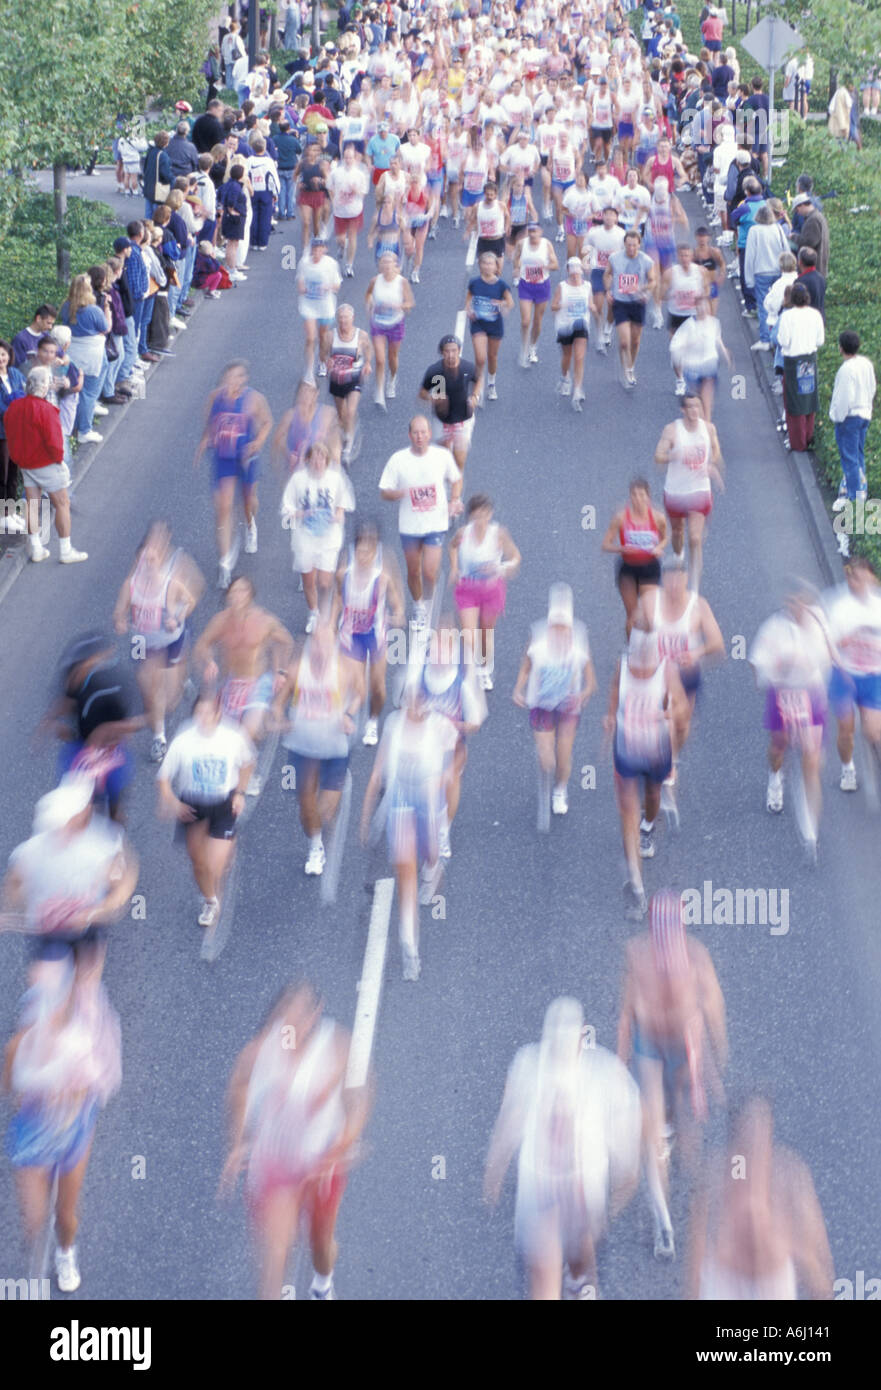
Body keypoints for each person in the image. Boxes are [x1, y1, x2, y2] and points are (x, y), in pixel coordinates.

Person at [483, 995, 642, 1300]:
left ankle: (579, 1281)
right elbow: (626, 1137)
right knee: (562, 1267)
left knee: (571, 1259)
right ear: (582, 1037)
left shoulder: (533, 1064)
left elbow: (508, 1122)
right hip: (560, 1190)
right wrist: (623, 1185)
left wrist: (495, 1169)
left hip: (560, 1188)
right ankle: (581, 1286)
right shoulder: (603, 1072)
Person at [219, 982, 370, 1300]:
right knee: (276, 1254)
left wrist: (344, 1142)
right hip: (275, 1164)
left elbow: (360, 1096)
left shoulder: (336, 1047)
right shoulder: (261, 1050)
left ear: (316, 1013)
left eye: (301, 1012)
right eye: (287, 1011)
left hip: (320, 1162)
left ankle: (322, 1283)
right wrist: (239, 1142)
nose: (293, 1019)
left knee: (321, 1242)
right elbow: (238, 1087)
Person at [2, 953, 122, 1294]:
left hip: (71, 1132)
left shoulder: (79, 1043)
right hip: (32, 1134)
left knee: (66, 1215)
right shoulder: (19, 1046)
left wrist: (66, 1095)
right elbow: (10, 1087)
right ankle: (39, 1254)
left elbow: (90, 1090)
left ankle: (66, 1252)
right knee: (34, 1219)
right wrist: (25, 1097)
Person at [618, 891, 728, 1258]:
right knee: (677, 1121)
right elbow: (713, 1007)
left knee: (661, 1125)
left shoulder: (638, 952)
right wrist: (717, 1061)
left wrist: (619, 1066)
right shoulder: (694, 955)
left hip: (657, 1042)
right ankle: (682, 1212)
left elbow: (626, 1014)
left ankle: (667, 1219)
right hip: (676, 1043)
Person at [360, 679, 460, 980]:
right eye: (409, 699)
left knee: (430, 856)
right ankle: (410, 946)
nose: (415, 705)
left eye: (420, 700)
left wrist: (443, 778)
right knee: (406, 876)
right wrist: (365, 817)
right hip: (401, 801)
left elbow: (458, 760)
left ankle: (433, 868)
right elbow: (378, 772)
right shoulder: (393, 725)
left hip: (428, 802)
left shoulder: (441, 727)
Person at [686, 1095, 834, 1299]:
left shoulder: (787, 1171)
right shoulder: (725, 1169)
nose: (756, 1136)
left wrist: (814, 1273)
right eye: (750, 1127)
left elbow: (813, 1241)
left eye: (762, 1127)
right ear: (736, 1134)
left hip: (772, 1280)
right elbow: (699, 1238)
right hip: (726, 1279)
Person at [605, 623, 688, 916]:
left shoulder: (666, 670)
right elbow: (614, 696)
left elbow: (679, 707)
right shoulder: (622, 666)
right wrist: (609, 720)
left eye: (646, 665)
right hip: (626, 749)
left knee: (651, 799)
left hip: (656, 750)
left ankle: (648, 827)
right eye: (638, 664)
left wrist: (666, 712)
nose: (641, 671)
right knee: (627, 809)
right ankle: (637, 885)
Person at [157, 689, 255, 928]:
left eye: (208, 712)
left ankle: (223, 852)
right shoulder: (183, 742)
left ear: (218, 713)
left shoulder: (232, 738)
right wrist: (172, 802)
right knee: (199, 863)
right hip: (193, 805)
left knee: (213, 865)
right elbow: (164, 778)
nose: (203, 717)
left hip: (223, 804)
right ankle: (210, 900)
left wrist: (240, 794)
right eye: (199, 712)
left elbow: (247, 763)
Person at [274, 619, 364, 877]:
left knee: (325, 811)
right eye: (317, 642)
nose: (321, 648)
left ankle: (321, 830)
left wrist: (348, 713)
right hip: (302, 746)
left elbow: (360, 692)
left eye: (326, 642)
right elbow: (278, 704)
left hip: (334, 746)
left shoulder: (344, 668)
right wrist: (279, 720)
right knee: (306, 806)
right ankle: (316, 846)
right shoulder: (297, 670)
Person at [749, 585, 832, 854]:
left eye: (803, 602)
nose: (799, 608)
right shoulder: (773, 628)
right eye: (793, 603)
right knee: (779, 745)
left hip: (811, 694)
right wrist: (778, 669)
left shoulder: (819, 622)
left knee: (812, 757)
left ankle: (811, 829)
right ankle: (775, 777)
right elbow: (757, 664)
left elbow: (831, 655)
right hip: (783, 691)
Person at [194, 576, 294, 796]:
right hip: (232, 682)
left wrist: (280, 670)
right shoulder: (220, 621)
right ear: (228, 595)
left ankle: (248, 774)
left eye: (243, 591)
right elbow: (202, 644)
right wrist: (209, 660)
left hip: (258, 681)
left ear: (250, 595)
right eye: (234, 591)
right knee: (229, 734)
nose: (238, 595)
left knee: (246, 732)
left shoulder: (263, 621)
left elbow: (285, 641)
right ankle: (244, 764)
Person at [112, 520, 204, 763]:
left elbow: (190, 600)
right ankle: (159, 739)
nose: (147, 565)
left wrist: (177, 616)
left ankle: (179, 683)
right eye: (144, 560)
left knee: (169, 697)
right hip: (142, 642)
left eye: (152, 560)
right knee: (149, 692)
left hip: (169, 640)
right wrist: (121, 622)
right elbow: (119, 612)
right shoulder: (130, 585)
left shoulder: (171, 582)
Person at [41, 632, 146, 823]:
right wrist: (53, 725)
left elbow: (137, 722)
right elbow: (65, 704)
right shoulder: (75, 681)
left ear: (92, 663)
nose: (71, 679)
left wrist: (109, 732)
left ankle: (114, 821)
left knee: (113, 791)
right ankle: (85, 820)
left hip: (109, 749)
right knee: (78, 799)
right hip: (80, 746)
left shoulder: (113, 687)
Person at [512, 583, 596, 822]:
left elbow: (591, 682)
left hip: (568, 707)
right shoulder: (538, 645)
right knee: (546, 758)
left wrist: (582, 694)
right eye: (555, 628)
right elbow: (525, 667)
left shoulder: (578, 649)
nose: (559, 632)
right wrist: (518, 689)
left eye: (564, 628)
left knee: (563, 758)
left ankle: (560, 789)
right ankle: (548, 766)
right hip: (541, 705)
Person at [193, 360, 274, 589]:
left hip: (246, 456)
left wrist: (258, 442)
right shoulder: (215, 398)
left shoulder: (254, 399)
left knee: (248, 502)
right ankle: (225, 563)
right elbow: (210, 422)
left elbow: (268, 422)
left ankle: (250, 525)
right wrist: (205, 440)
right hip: (224, 457)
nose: (234, 382)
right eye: (230, 377)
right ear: (223, 379)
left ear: (244, 379)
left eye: (238, 377)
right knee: (224, 508)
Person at [378, 414, 464, 629]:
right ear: (409, 435)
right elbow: (384, 491)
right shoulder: (398, 460)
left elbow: (457, 479)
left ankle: (427, 602)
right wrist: (399, 493)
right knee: (414, 571)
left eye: (423, 432)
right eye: (415, 433)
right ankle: (418, 606)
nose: (419, 436)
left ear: (429, 434)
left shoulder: (441, 456)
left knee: (429, 571)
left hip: (435, 522)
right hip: (410, 525)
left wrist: (454, 499)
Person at [3, 367, 87, 564]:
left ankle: (37, 548)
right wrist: (59, 462)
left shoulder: (14, 407)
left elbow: (10, 432)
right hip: (47, 463)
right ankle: (66, 551)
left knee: (32, 504)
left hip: (25, 464)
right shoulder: (46, 409)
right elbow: (54, 442)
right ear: (44, 385)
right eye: (49, 380)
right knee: (62, 504)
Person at [334, 519, 405, 747]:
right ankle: (347, 716)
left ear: (376, 552)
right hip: (350, 634)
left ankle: (373, 721)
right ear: (355, 551)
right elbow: (338, 598)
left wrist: (399, 614)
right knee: (357, 685)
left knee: (377, 686)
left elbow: (396, 601)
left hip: (375, 635)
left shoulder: (381, 578)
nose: (364, 556)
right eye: (361, 551)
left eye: (369, 551)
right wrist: (328, 622)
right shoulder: (343, 575)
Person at [449, 494, 520, 692]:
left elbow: (515, 557)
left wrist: (502, 568)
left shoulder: (499, 534)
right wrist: (454, 568)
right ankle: (470, 672)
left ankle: (484, 670)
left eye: (484, 515)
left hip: (491, 591)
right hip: (467, 590)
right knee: (469, 636)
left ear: (490, 514)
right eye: (476, 516)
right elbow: (452, 547)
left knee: (485, 634)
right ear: (470, 517)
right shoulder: (463, 533)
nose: (480, 520)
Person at [281, 440, 354, 632]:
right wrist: (301, 514)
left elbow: (343, 502)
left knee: (324, 581)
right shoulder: (298, 480)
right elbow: (287, 507)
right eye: (314, 458)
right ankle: (314, 613)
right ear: (308, 460)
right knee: (308, 580)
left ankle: (325, 612)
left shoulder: (335, 479)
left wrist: (338, 514)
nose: (318, 462)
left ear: (327, 460)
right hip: (305, 537)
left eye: (322, 458)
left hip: (329, 537)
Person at [654, 394, 724, 591]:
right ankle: (678, 555)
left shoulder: (708, 429)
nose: (695, 411)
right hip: (676, 491)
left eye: (698, 407)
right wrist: (674, 454)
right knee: (677, 531)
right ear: (683, 410)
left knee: (694, 538)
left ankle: (694, 585)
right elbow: (658, 456)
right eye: (691, 407)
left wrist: (711, 463)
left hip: (699, 490)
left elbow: (716, 449)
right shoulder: (672, 430)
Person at [824, 556, 881, 796]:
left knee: (873, 731)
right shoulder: (839, 609)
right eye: (850, 576)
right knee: (846, 730)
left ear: (871, 578)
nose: (853, 581)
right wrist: (842, 642)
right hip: (845, 674)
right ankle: (848, 768)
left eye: (858, 577)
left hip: (873, 676)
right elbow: (826, 644)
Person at [602, 479, 668, 635]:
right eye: (634, 495)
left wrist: (659, 547)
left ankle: (650, 651)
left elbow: (665, 538)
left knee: (649, 617)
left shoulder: (658, 518)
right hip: (628, 570)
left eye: (641, 495)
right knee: (632, 616)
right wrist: (621, 548)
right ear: (630, 497)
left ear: (648, 497)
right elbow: (605, 544)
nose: (638, 499)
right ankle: (632, 651)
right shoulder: (621, 517)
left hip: (650, 568)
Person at [829, 330, 876, 515]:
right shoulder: (865, 363)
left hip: (849, 418)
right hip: (865, 413)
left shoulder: (846, 370)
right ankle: (860, 490)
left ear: (840, 348)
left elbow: (842, 399)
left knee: (849, 458)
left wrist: (836, 417)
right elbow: (872, 387)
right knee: (858, 454)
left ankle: (853, 497)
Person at [418, 335, 480, 474]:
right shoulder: (435, 371)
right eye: (447, 351)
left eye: (454, 350)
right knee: (444, 459)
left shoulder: (467, 368)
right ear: (442, 352)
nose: (451, 355)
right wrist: (432, 398)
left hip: (463, 419)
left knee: (459, 461)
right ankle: (445, 485)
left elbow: (478, 379)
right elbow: (422, 393)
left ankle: (456, 492)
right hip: (442, 419)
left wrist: (475, 396)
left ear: (459, 351)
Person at [605, 228, 656, 389]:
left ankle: (631, 366)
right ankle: (626, 369)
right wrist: (608, 291)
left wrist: (643, 289)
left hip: (638, 303)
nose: (631, 249)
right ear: (624, 244)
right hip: (620, 302)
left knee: (635, 340)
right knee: (625, 341)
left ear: (639, 245)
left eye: (634, 245)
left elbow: (653, 281)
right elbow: (607, 274)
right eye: (628, 245)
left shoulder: (647, 261)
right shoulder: (615, 258)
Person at [777, 282, 824, 453]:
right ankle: (808, 436)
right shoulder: (815, 314)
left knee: (793, 402)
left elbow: (783, 340)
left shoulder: (788, 317)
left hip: (792, 361)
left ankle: (797, 442)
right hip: (810, 359)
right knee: (809, 399)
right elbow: (820, 341)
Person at [669, 295, 732, 423]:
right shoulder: (688, 326)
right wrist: (684, 349)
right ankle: (699, 426)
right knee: (697, 403)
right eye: (700, 306)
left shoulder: (714, 323)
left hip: (709, 366)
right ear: (695, 308)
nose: (703, 309)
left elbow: (718, 339)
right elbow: (675, 346)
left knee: (707, 405)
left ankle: (707, 430)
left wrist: (725, 353)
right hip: (692, 367)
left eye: (705, 305)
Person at [365, 252, 414, 410]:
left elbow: (410, 302)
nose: (386, 266)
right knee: (379, 359)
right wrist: (369, 305)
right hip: (378, 323)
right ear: (380, 266)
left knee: (392, 356)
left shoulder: (402, 282)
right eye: (383, 263)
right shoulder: (375, 281)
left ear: (395, 265)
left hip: (395, 322)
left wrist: (398, 306)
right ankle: (379, 391)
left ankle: (392, 380)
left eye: (389, 263)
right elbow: (368, 295)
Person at [465, 252, 514, 405]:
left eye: (490, 263)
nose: (487, 266)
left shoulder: (501, 285)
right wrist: (469, 310)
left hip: (495, 325)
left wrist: (502, 305)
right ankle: (478, 388)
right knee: (480, 358)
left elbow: (510, 303)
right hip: (478, 323)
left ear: (496, 266)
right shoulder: (474, 282)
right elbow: (468, 299)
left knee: (492, 357)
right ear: (480, 266)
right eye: (484, 263)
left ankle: (491, 384)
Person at [326, 302, 372, 462]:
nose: (343, 321)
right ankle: (346, 431)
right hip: (336, 379)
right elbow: (323, 354)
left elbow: (368, 349)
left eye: (346, 318)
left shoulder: (361, 336)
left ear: (352, 318)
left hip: (354, 378)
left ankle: (348, 445)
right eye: (340, 318)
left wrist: (367, 364)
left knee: (350, 411)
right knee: (341, 414)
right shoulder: (331, 336)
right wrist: (327, 361)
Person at [296, 236, 343, 385]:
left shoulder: (330, 264)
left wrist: (327, 287)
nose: (316, 252)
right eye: (314, 249)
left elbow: (337, 285)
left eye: (319, 248)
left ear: (325, 249)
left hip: (325, 306)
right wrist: (302, 288)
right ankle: (309, 370)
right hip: (308, 304)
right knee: (311, 337)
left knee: (323, 337)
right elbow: (300, 281)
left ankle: (322, 362)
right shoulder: (304, 263)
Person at [512, 221, 559, 368]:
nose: (532, 234)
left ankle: (533, 347)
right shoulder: (522, 244)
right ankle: (524, 348)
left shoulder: (546, 245)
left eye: (535, 231)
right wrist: (516, 269)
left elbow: (556, 265)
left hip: (542, 286)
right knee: (526, 321)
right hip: (526, 285)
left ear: (540, 231)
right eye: (530, 231)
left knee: (537, 320)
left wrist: (545, 266)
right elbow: (516, 257)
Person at [550, 258, 592, 411]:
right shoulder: (562, 287)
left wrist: (594, 308)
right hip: (564, 325)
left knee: (580, 357)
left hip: (581, 324)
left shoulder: (587, 286)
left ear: (581, 271)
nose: (575, 275)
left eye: (577, 272)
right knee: (567, 357)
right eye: (572, 272)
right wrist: (563, 305)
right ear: (568, 271)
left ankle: (578, 388)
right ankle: (565, 377)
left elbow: (591, 303)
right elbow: (553, 306)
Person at [584, 204, 625, 356]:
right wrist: (586, 261)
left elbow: (627, 253)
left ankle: (608, 328)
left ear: (616, 218)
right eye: (606, 214)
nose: (609, 217)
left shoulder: (621, 234)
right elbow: (586, 247)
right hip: (598, 270)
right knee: (598, 305)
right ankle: (600, 333)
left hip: (615, 272)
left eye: (612, 215)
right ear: (603, 217)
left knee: (612, 305)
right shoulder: (594, 232)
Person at [327, 145, 370, 275]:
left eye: (350, 157)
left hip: (355, 210)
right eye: (346, 157)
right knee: (340, 239)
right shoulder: (336, 173)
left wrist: (355, 190)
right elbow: (329, 187)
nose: (348, 160)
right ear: (343, 158)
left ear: (354, 159)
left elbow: (363, 193)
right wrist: (333, 200)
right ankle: (342, 246)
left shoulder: (360, 175)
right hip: (340, 210)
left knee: (352, 237)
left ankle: (349, 265)